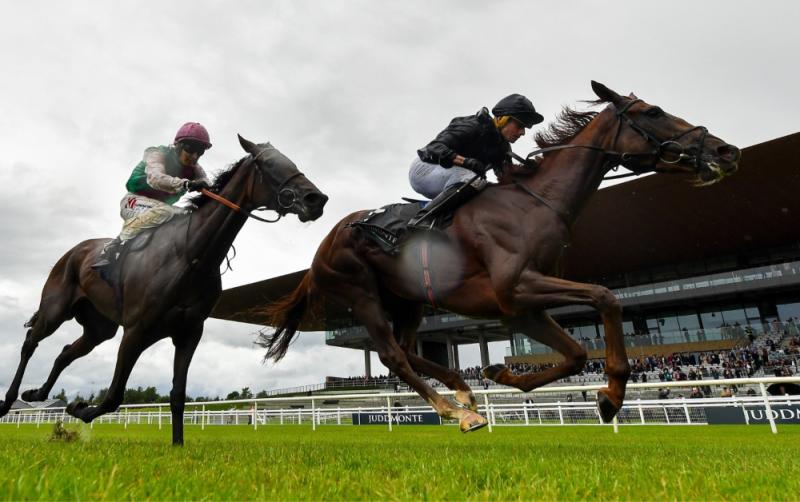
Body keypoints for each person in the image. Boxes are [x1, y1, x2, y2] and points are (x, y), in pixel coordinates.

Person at [407, 94, 544, 229]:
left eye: (525, 128)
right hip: (424, 169)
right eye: (520, 125)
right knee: (473, 179)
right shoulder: (473, 125)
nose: (522, 132)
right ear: (502, 119)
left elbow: (506, 179)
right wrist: (466, 162)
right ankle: (421, 219)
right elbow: (434, 148)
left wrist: (530, 172)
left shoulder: (503, 148)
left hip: (454, 179)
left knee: (488, 190)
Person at [93, 122, 213, 268]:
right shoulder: (157, 153)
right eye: (191, 149)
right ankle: (113, 247)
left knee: (187, 216)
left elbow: (210, 185)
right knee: (165, 211)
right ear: (178, 145)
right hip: (133, 201)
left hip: (161, 208)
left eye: (200, 152)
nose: (194, 156)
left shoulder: (195, 169)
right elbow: (155, 178)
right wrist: (186, 184)